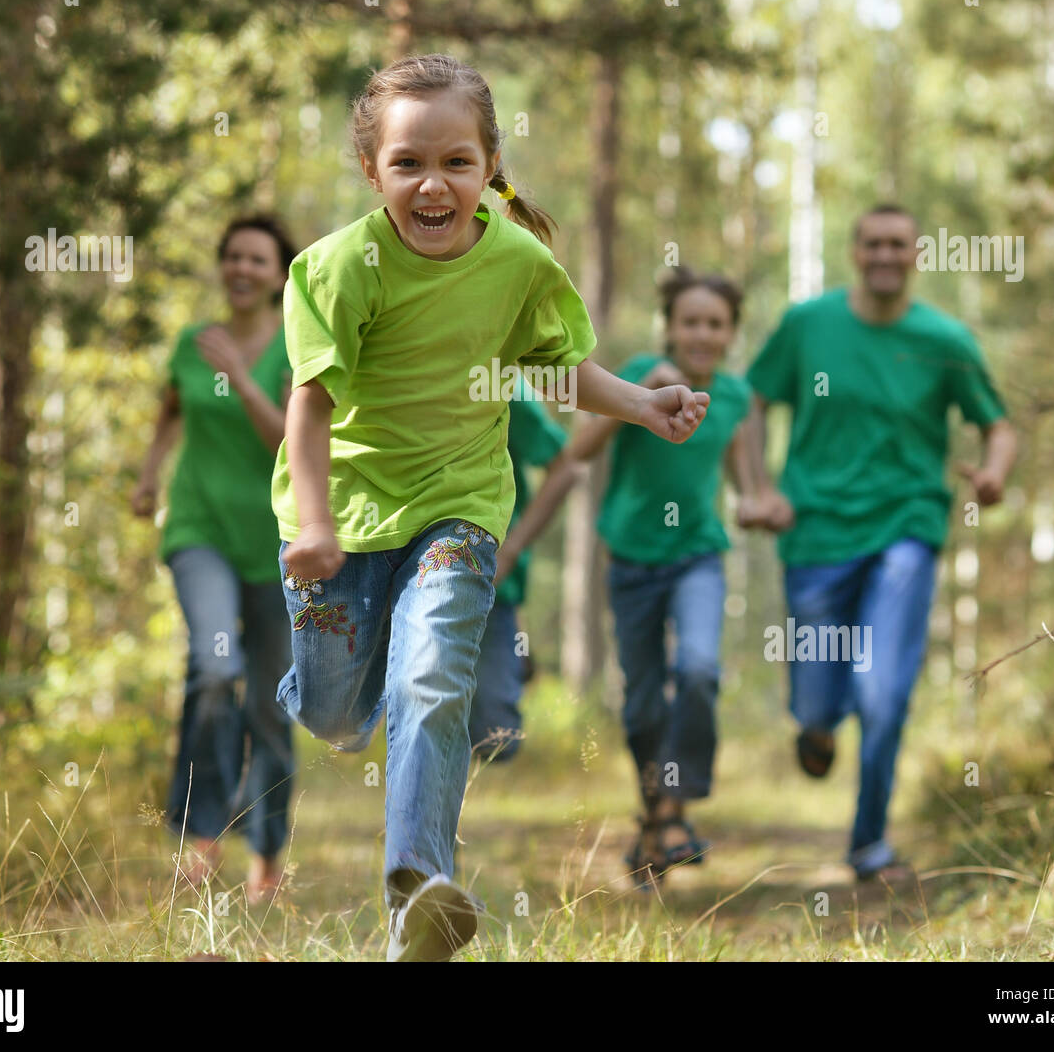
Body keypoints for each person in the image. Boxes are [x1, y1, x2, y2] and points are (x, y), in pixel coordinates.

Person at [271, 53, 710, 961]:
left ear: (488, 165)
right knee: (337, 716)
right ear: (372, 171)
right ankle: (324, 685)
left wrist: (641, 403)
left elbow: (550, 365)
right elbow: (308, 407)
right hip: (341, 516)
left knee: (431, 684)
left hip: (459, 508)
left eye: (456, 163)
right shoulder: (338, 268)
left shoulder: (517, 262)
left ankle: (417, 894)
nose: (433, 185)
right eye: (408, 164)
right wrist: (315, 525)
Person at [737, 204, 1017, 880]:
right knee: (815, 702)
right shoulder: (809, 325)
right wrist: (760, 487)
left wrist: (994, 476)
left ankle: (868, 842)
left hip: (908, 527)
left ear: (916, 253)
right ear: (854, 251)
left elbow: (998, 424)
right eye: (873, 244)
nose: (885, 255)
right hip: (817, 531)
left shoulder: (944, 339)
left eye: (898, 244)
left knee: (885, 691)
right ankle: (816, 723)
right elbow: (750, 399)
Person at [502, 268, 754, 884]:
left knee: (696, 669)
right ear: (669, 328)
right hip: (633, 560)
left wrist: (759, 503)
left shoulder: (737, 397)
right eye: (690, 321)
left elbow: (750, 482)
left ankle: (673, 809)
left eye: (715, 324)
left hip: (699, 555)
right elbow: (579, 450)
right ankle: (656, 822)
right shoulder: (642, 370)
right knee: (640, 700)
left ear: (729, 335)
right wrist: (641, 395)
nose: (701, 333)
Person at [132, 214, 298, 904]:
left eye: (256, 259)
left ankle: (266, 850)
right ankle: (200, 835)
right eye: (232, 256)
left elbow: (289, 442)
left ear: (279, 274)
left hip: (276, 544)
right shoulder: (190, 343)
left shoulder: (296, 347)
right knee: (214, 666)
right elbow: (172, 410)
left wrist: (242, 377)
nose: (241, 268)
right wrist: (149, 473)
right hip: (198, 529)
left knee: (271, 704)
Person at [468, 387, 582, 763]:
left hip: (490, 583)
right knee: (423, 710)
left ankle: (514, 653)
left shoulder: (501, 386)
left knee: (497, 737)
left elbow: (564, 466)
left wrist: (513, 549)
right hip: (406, 575)